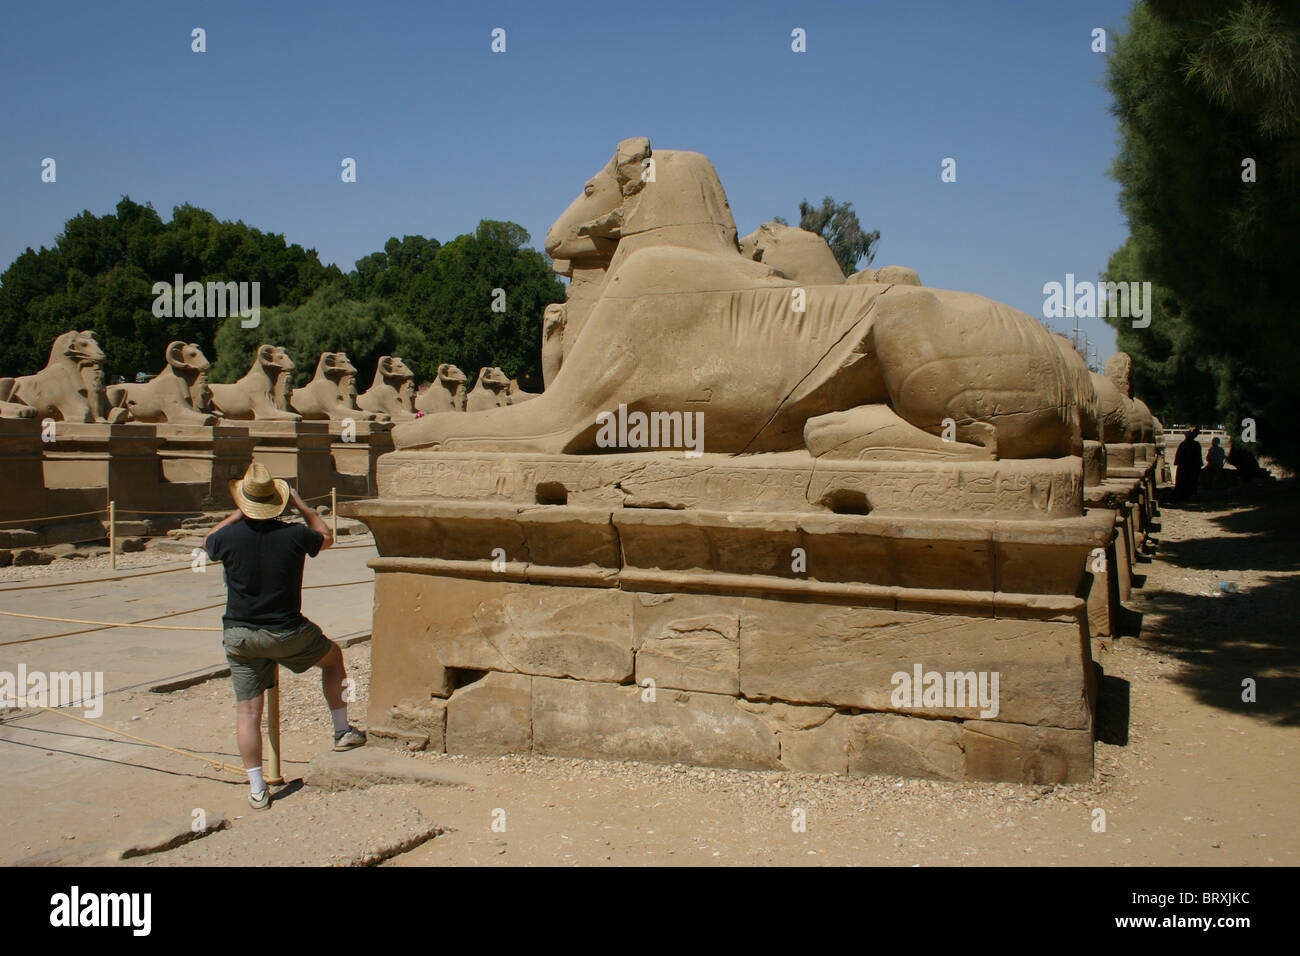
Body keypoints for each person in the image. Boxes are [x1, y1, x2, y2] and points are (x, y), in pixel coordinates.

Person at [204, 462, 365, 811]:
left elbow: (208, 540)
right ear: (278, 503)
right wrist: (305, 507)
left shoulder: (226, 539)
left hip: (240, 633)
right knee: (333, 657)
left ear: (246, 502)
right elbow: (327, 537)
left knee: (248, 711)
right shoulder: (294, 534)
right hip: (285, 630)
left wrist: (237, 513)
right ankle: (341, 731)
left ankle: (257, 787)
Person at [1173, 428, 1203, 501]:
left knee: (1186, 481)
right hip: (1189, 466)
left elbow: (1179, 455)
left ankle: (1184, 495)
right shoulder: (1195, 444)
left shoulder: (1184, 444)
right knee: (1190, 481)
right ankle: (1187, 495)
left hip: (1186, 466)